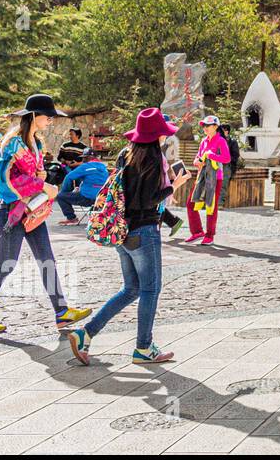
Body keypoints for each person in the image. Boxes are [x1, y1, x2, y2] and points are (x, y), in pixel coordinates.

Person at [67, 108, 189, 365]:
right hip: (144, 232)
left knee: (131, 288)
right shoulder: (153, 160)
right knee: (150, 289)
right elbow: (147, 200)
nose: (165, 139)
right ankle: (143, 348)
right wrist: (173, 186)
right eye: (163, 135)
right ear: (157, 136)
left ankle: (85, 333)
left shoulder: (127, 155)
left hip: (122, 231)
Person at [0, 94, 91, 335]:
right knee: (7, 265)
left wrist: (42, 178)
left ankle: (61, 312)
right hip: (12, 214)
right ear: (35, 117)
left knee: (46, 260)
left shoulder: (35, 143)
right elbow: (7, 181)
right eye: (48, 116)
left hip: (32, 212)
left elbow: (35, 175)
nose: (51, 120)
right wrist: (43, 186)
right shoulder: (13, 143)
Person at [185, 115, 230, 245]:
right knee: (190, 203)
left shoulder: (221, 141)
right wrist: (196, 161)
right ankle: (197, 232)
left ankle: (210, 235)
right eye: (203, 125)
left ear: (216, 126)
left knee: (211, 206)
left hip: (216, 178)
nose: (205, 128)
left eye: (207, 125)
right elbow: (198, 157)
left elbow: (227, 159)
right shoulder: (203, 141)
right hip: (201, 177)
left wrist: (212, 156)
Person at [56, 151, 109, 226]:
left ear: (88, 158)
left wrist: (65, 191)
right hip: (102, 198)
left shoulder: (85, 166)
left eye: (84, 158)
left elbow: (69, 177)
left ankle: (71, 218)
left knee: (60, 196)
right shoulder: (103, 167)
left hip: (87, 198)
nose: (83, 160)